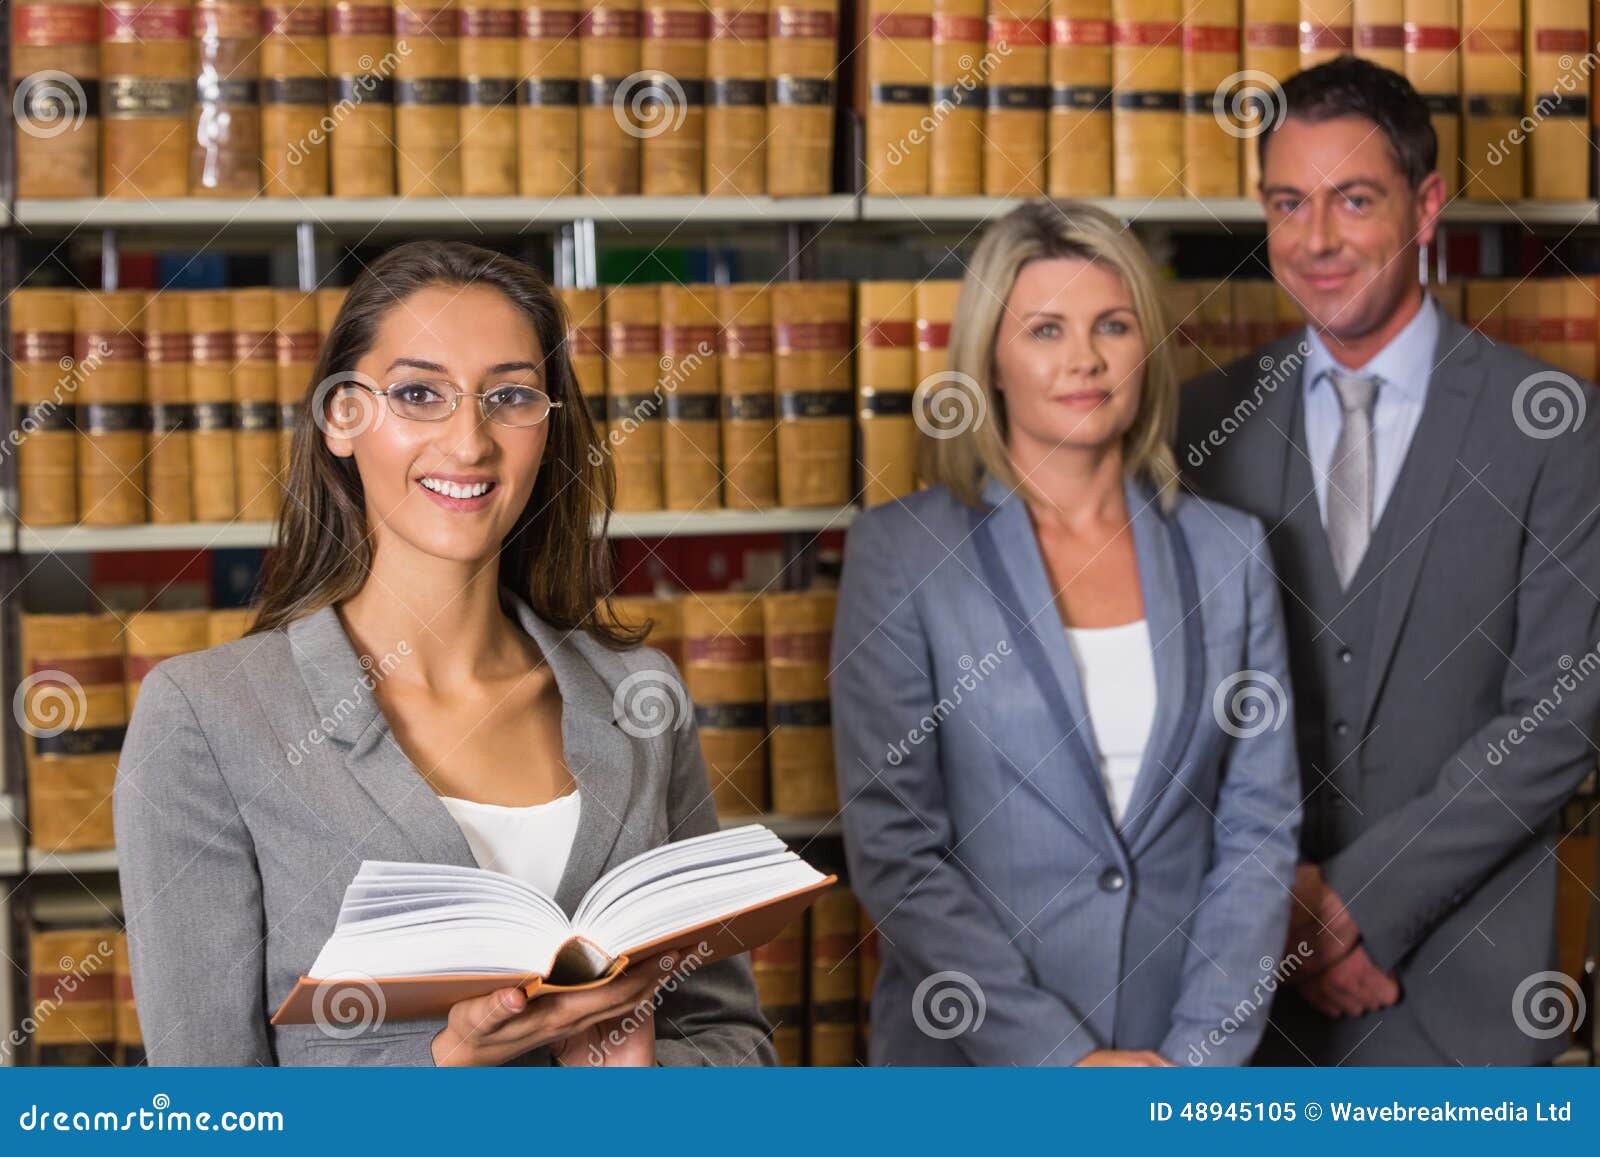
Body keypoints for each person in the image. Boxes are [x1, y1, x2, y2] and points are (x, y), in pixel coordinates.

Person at [113, 240, 776, 1067]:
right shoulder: (208, 717)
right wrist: (445, 1067)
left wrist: (634, 1075)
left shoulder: (640, 696)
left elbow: (731, 1038)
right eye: (419, 393)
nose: (469, 442)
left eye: (510, 395)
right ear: (340, 420)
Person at [1179, 55, 1600, 1064]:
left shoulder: (1550, 426)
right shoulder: (1200, 426)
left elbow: (1561, 713)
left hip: (1466, 997)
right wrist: (1273, 910)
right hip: (1238, 1000)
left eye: (1352, 200)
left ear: (1424, 209)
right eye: (1288, 202)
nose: (1315, 239)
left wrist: (1355, 901)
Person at [831, 200, 1302, 1067]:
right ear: (993, 361)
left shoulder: (1229, 551)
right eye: (1047, 329)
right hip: (975, 1062)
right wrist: (1063, 1063)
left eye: (1113, 326)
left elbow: (1259, 830)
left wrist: (1195, 1062)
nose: (1085, 359)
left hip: (1180, 1063)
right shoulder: (902, 554)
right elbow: (898, 850)